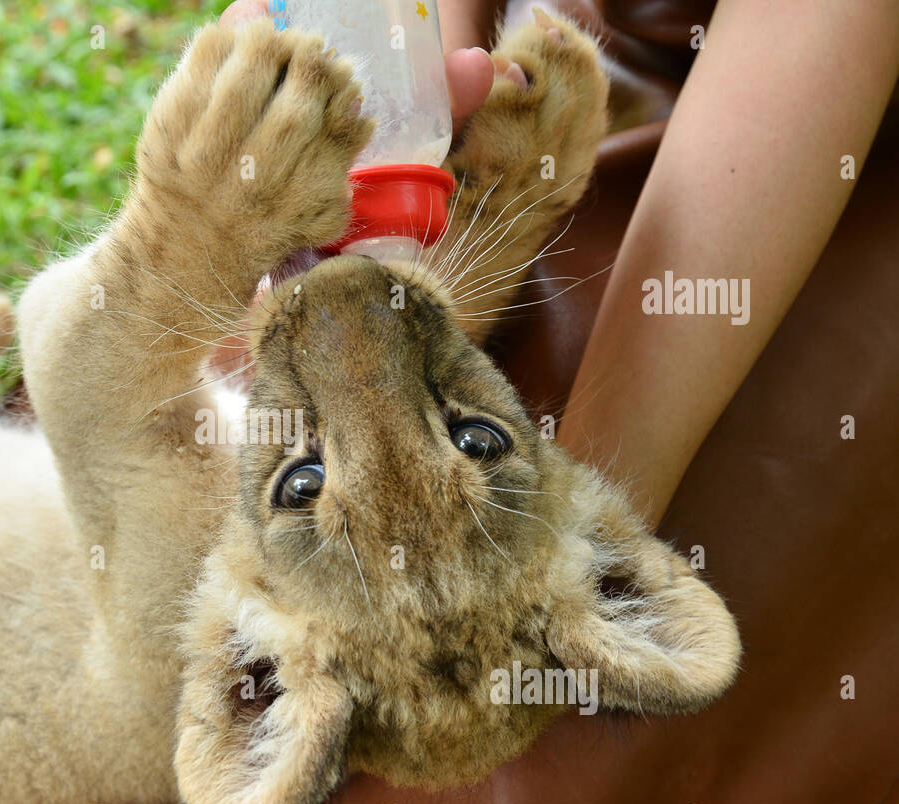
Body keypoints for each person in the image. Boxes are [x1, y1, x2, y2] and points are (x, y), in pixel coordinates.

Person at [221, 0, 899, 528]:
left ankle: (584, 531)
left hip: (817, 97)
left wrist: (598, 511)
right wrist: (407, 104)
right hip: (560, 48)